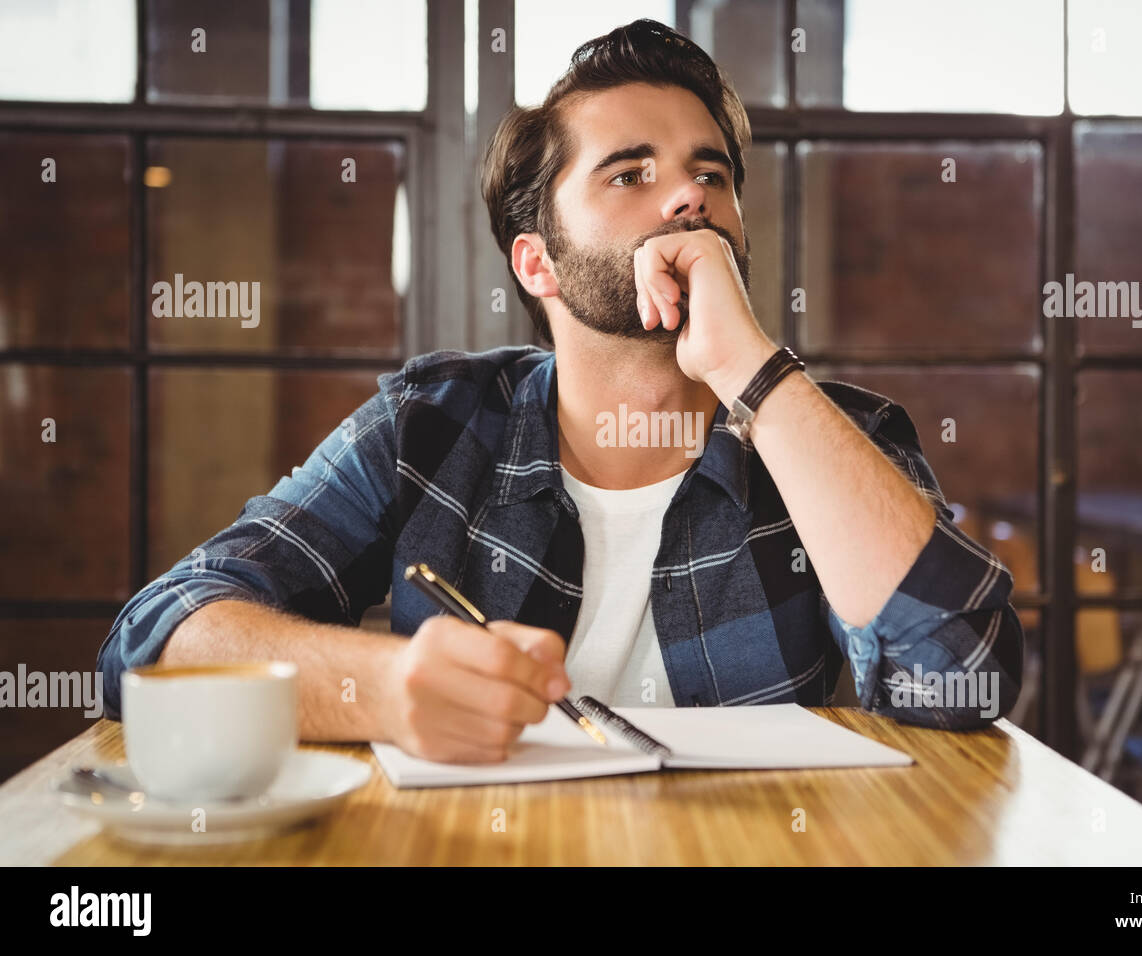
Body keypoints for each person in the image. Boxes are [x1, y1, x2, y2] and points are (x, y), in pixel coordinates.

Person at [98, 19, 1023, 763]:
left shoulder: (838, 435)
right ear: (536, 262)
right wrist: (381, 687)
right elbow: (157, 636)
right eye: (631, 173)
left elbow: (962, 676)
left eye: (712, 173)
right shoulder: (430, 424)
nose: (687, 199)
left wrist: (751, 371)